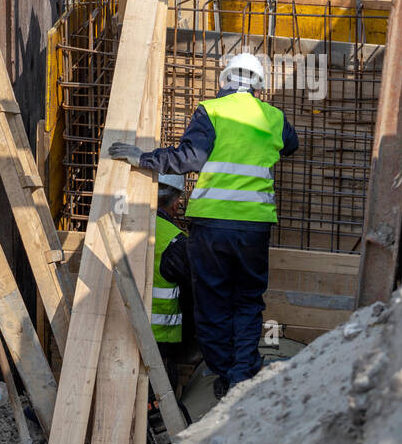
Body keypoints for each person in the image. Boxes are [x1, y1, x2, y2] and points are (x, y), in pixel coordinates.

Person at [109, 52, 298, 400]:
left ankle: (225, 374)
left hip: (212, 226)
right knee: (248, 301)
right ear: (259, 86)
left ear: (224, 80)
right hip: (254, 228)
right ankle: (243, 375)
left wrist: (143, 158)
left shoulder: (210, 111)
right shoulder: (274, 117)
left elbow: (188, 159)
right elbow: (291, 145)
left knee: (212, 302)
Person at [152, 174, 192, 391]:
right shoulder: (175, 241)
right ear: (176, 203)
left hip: (116, 328)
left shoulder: (123, 223)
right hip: (159, 339)